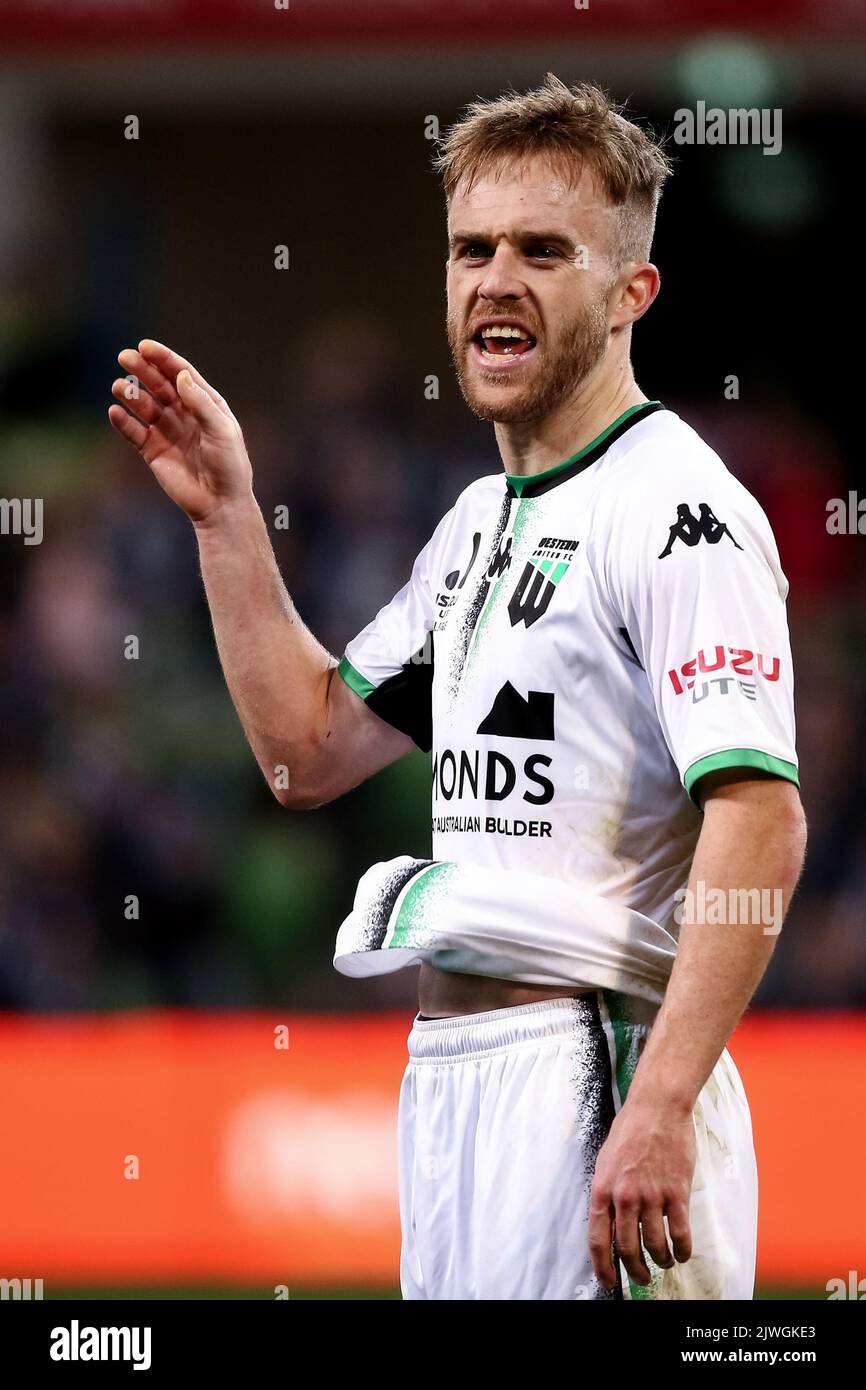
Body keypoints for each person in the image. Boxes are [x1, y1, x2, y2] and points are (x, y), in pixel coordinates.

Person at [108, 74, 807, 1301]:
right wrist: (226, 515)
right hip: (455, 1083)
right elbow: (305, 752)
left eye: (544, 251)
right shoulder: (478, 525)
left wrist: (659, 1105)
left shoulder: (677, 513)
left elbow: (758, 819)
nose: (495, 279)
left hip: (597, 1069)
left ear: (630, 292)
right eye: (471, 248)